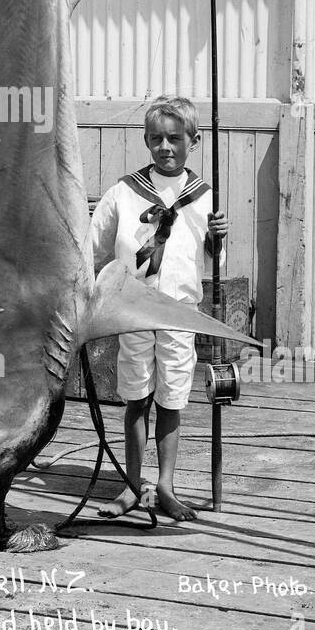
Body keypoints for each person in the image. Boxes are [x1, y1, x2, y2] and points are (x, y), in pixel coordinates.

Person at [89, 95, 228, 521]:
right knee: (137, 394)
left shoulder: (205, 197)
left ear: (194, 140)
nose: (165, 147)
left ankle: (165, 484)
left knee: (172, 396)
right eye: (155, 140)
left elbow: (211, 261)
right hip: (133, 306)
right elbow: (92, 247)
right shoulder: (124, 192)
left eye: (174, 138)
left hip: (178, 309)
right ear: (146, 142)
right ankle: (133, 484)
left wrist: (218, 238)